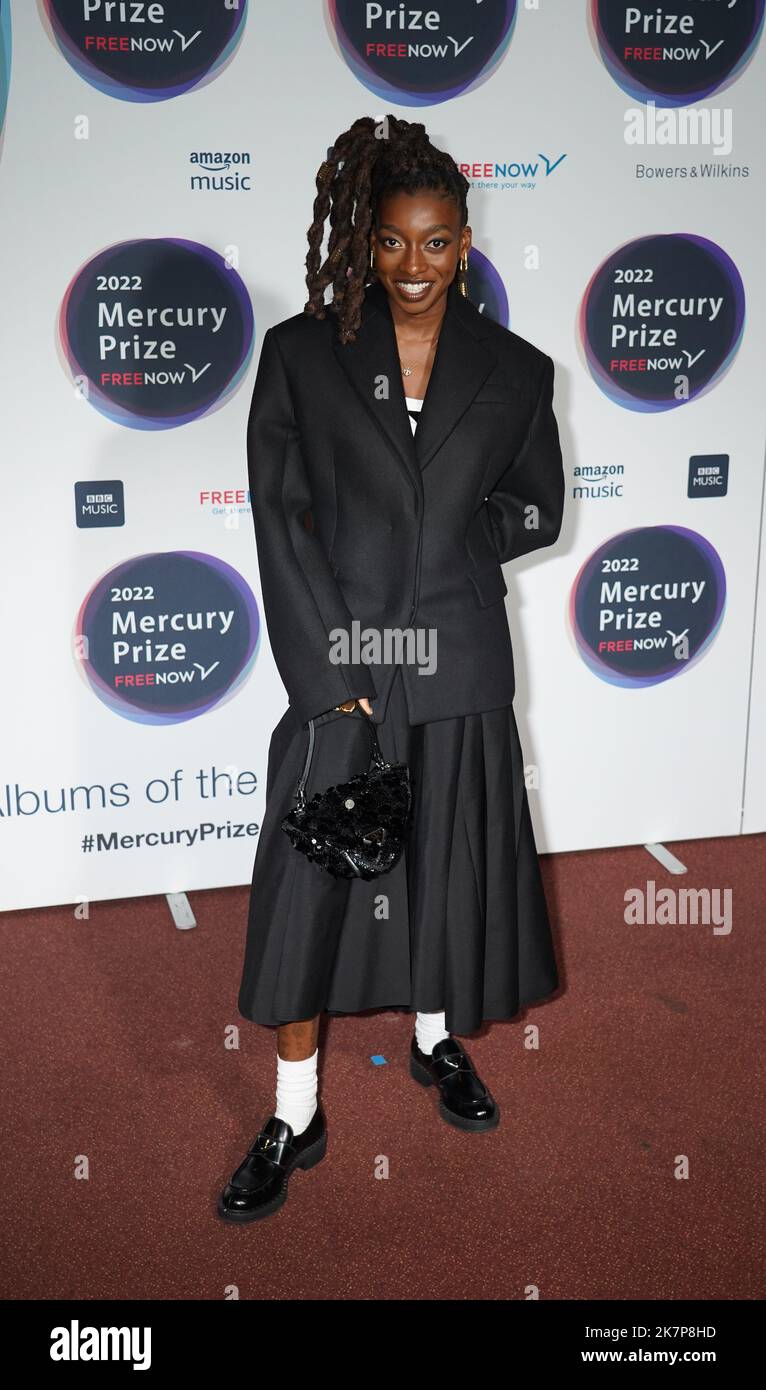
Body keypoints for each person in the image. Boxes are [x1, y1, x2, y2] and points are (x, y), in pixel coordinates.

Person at [218, 114, 565, 1223]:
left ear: (466, 243)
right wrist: (329, 673)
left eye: (437, 243)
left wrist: (463, 543)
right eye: (394, 243)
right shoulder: (301, 354)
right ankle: (294, 1108)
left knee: (443, 876)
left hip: (457, 660)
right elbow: (278, 518)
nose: (414, 268)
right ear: (365, 240)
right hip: (345, 661)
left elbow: (535, 505)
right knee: (307, 896)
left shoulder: (515, 372)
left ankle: (433, 1041)